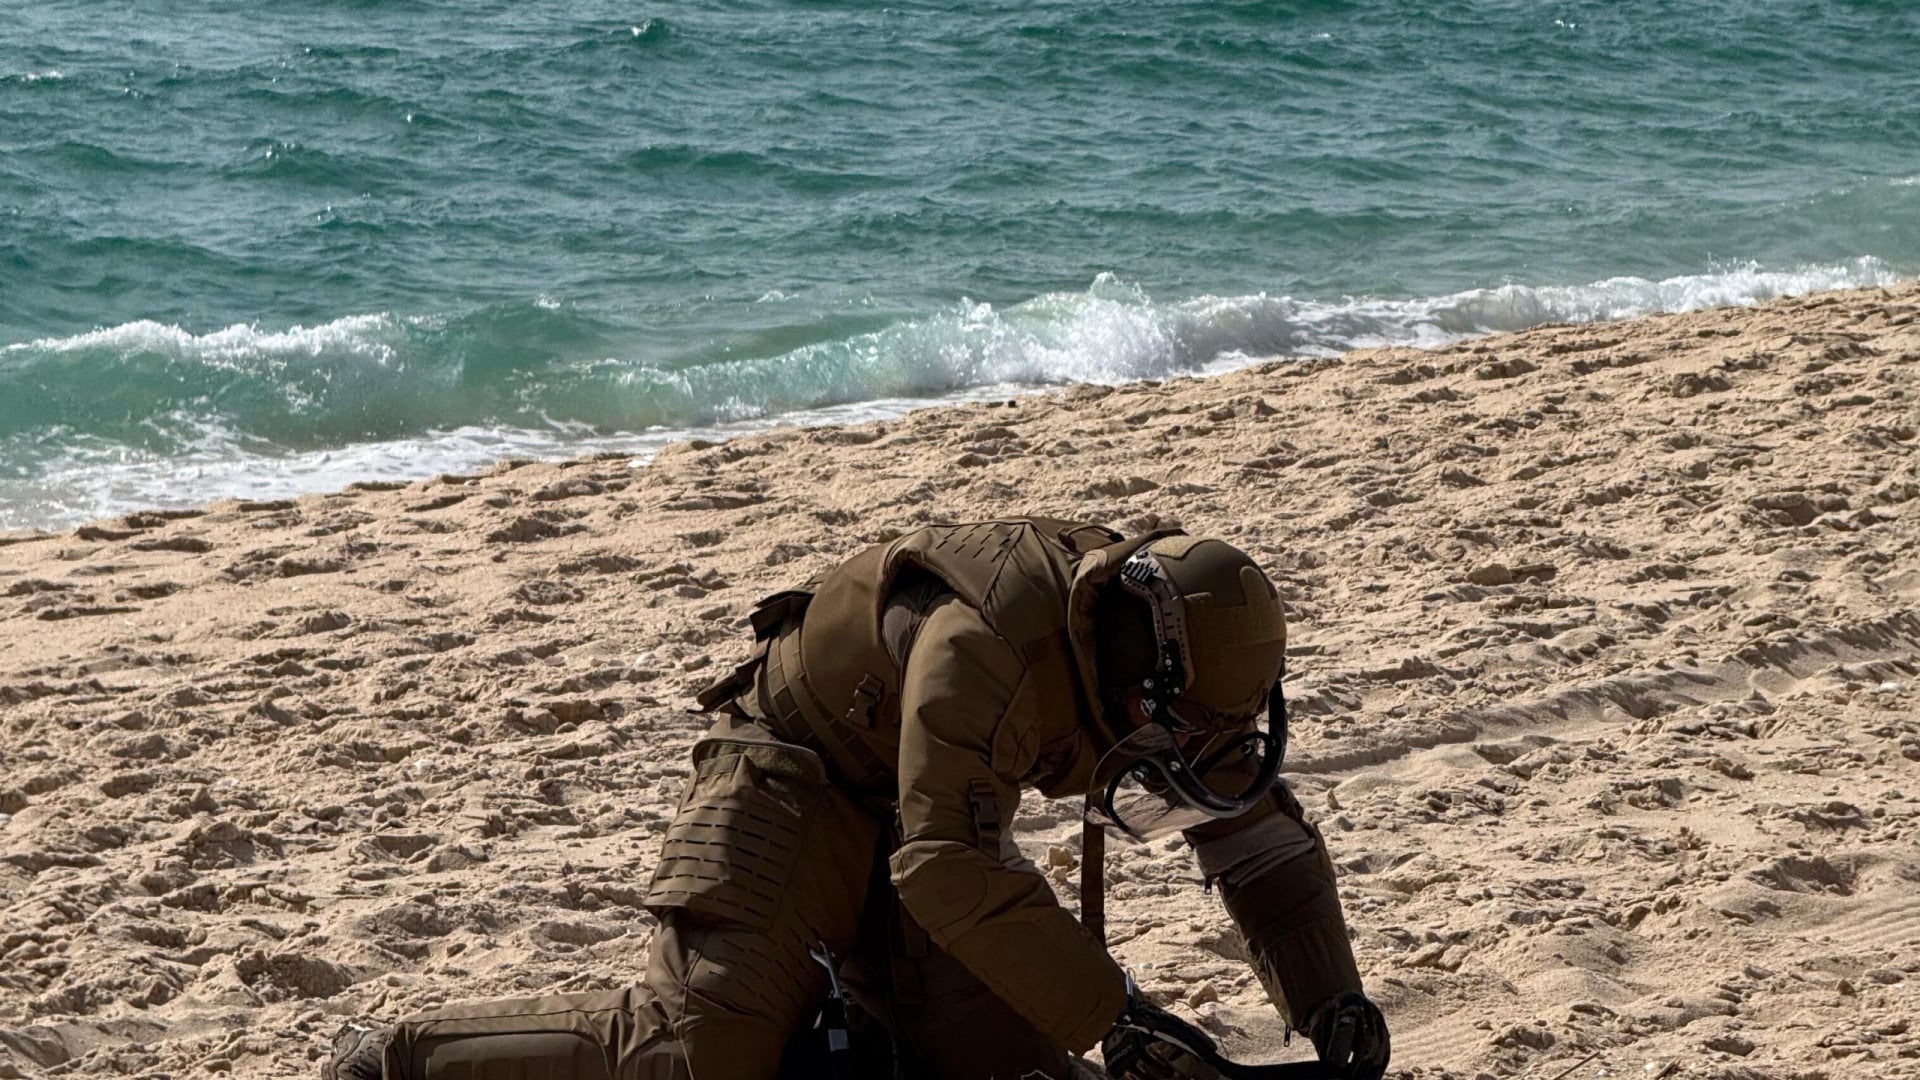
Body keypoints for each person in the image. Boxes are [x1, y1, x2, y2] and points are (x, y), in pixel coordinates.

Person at [329, 518, 1390, 1080]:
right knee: (695, 1056)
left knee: (1004, 1070)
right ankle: (399, 1061)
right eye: (1180, 737)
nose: (1181, 759)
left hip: (927, 810)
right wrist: (1116, 1020)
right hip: (797, 773)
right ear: (1141, 688)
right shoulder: (988, 649)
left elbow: (1247, 821)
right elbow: (950, 869)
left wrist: (1329, 998)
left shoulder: (1165, 644)